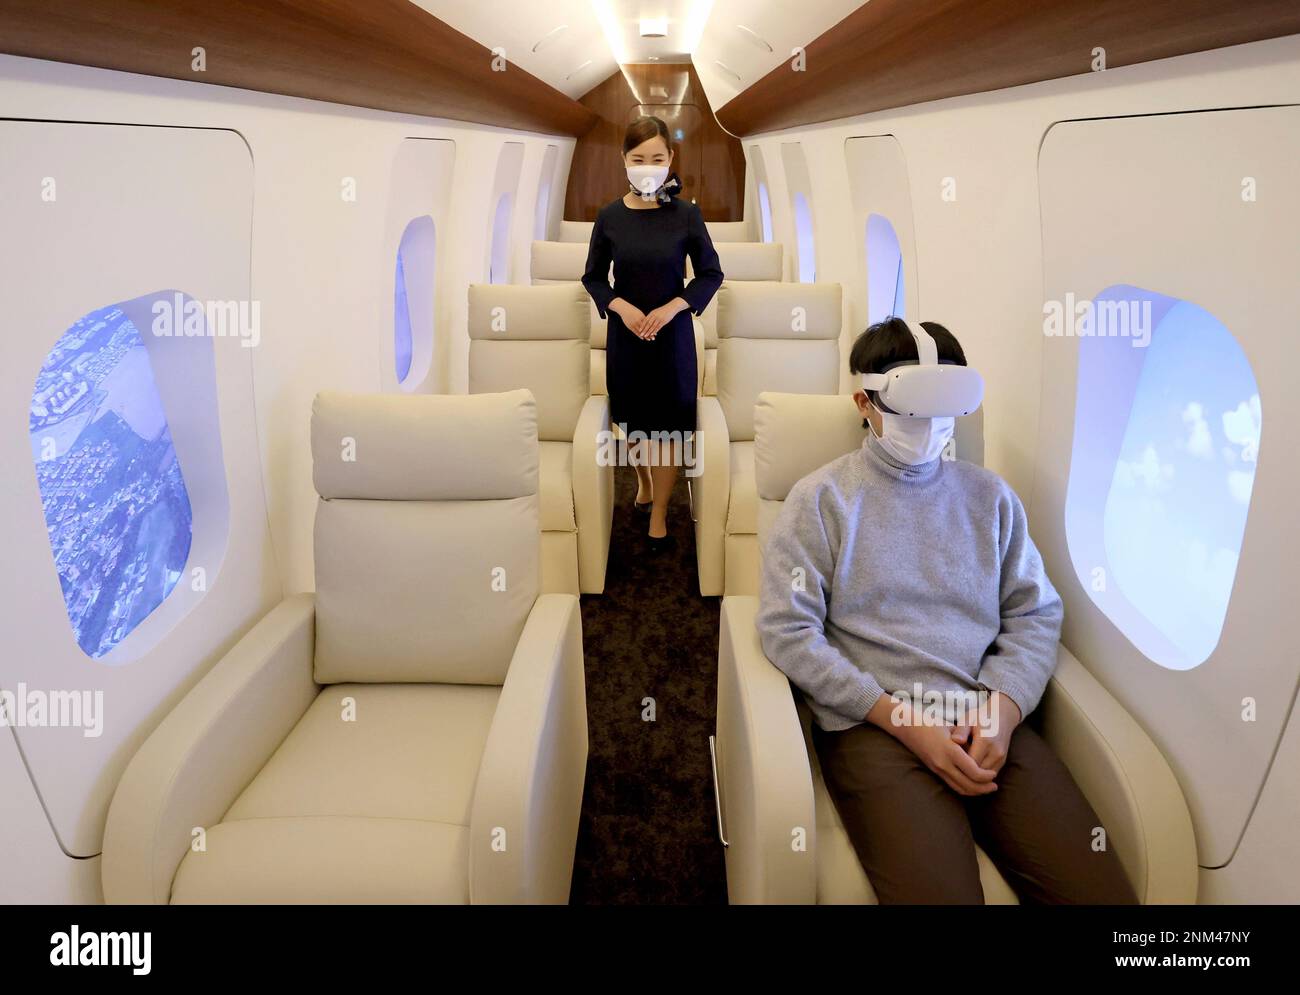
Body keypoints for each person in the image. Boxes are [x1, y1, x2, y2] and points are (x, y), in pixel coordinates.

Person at [756, 317, 1138, 905]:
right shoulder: (821, 501)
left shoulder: (990, 498)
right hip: (875, 725)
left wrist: (1004, 710)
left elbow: (1034, 614)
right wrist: (903, 722)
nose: (930, 429)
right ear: (866, 401)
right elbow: (787, 630)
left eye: (944, 411)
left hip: (983, 714)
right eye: (912, 411)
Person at [581, 115, 724, 551]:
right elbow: (593, 278)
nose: (648, 165)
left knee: (666, 428)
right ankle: (642, 481)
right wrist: (619, 307)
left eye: (656, 157)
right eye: (638, 157)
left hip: (671, 336)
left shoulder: (686, 214)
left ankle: (660, 509)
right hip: (627, 336)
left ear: (670, 159)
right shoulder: (609, 217)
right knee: (633, 422)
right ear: (624, 160)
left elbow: (710, 274)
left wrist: (673, 307)